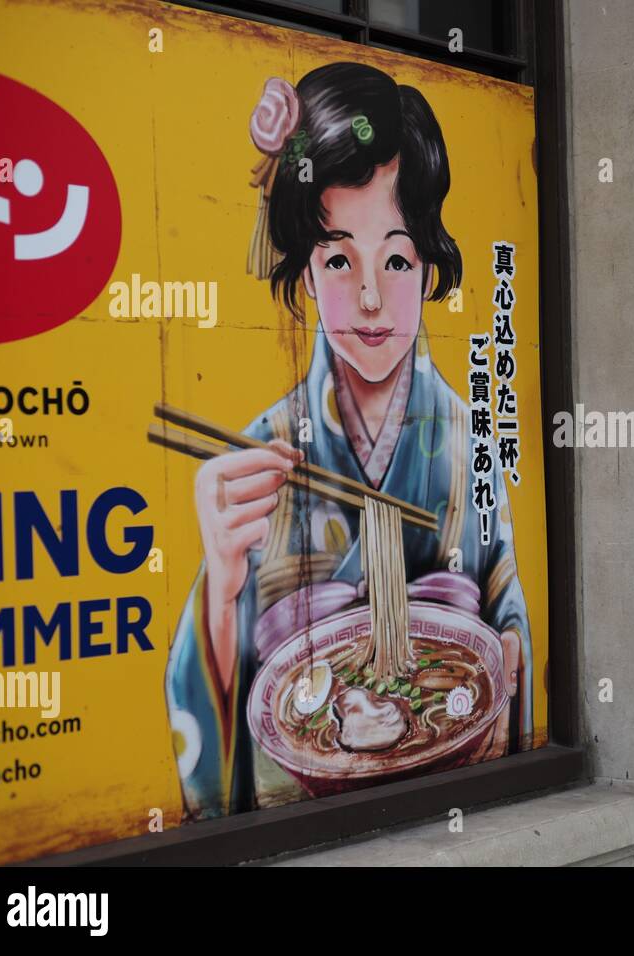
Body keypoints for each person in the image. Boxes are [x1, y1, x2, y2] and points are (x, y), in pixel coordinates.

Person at [165, 63, 531, 819]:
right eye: (338, 259)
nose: (369, 296)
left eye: (396, 259)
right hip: (304, 807)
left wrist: (511, 665)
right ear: (304, 274)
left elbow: (507, 615)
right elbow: (210, 757)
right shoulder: (259, 461)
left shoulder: (467, 444)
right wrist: (224, 589)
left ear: (429, 268)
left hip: (449, 784)